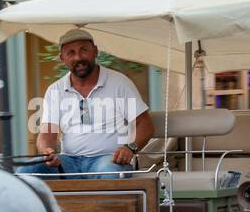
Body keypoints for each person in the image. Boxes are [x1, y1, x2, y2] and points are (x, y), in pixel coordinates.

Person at [20, 30, 154, 177]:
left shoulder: (119, 83)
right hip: (67, 161)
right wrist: (47, 151)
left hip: (108, 159)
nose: (78, 57)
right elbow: (47, 134)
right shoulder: (55, 90)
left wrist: (130, 148)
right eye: (70, 53)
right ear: (62, 58)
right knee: (25, 173)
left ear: (95, 51)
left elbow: (145, 125)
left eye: (84, 50)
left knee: (110, 173)